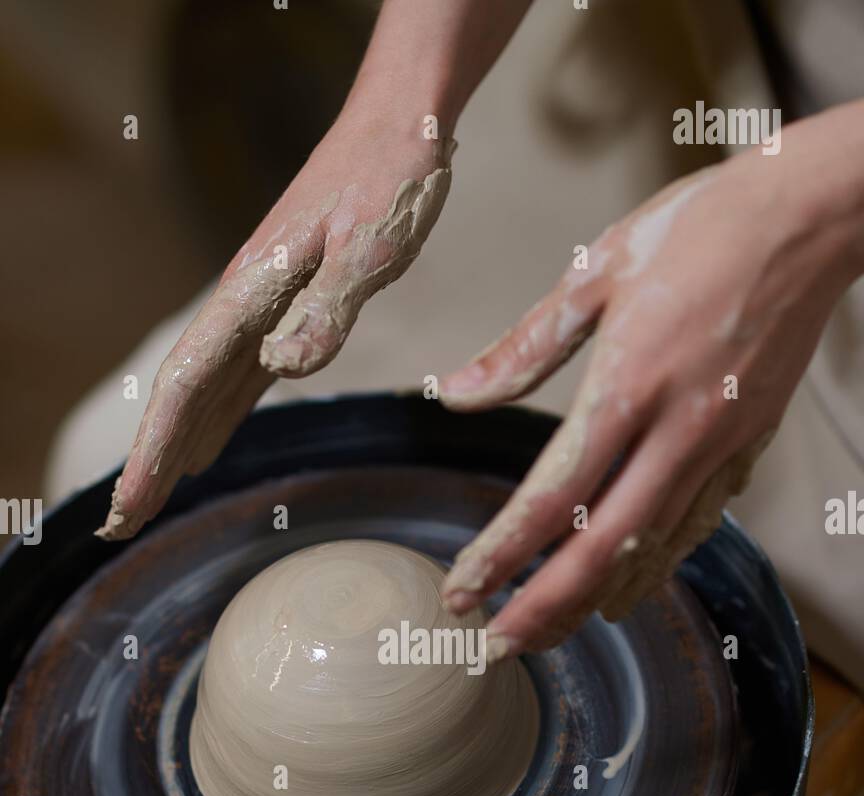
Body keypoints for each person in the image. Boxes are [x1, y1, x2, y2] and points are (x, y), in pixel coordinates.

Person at [77, 0, 864, 678]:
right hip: (690, 51)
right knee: (106, 448)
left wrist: (803, 218)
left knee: (793, 603)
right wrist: (398, 103)